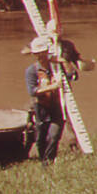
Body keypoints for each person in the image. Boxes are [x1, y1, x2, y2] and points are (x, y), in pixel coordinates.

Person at [24, 36, 64, 164]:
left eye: (42, 53)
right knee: (41, 138)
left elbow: (72, 76)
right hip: (41, 108)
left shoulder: (56, 67)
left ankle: (49, 163)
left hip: (56, 107)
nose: (39, 57)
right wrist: (52, 86)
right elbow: (32, 91)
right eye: (37, 54)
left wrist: (65, 61)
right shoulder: (31, 71)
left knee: (54, 136)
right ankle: (44, 161)